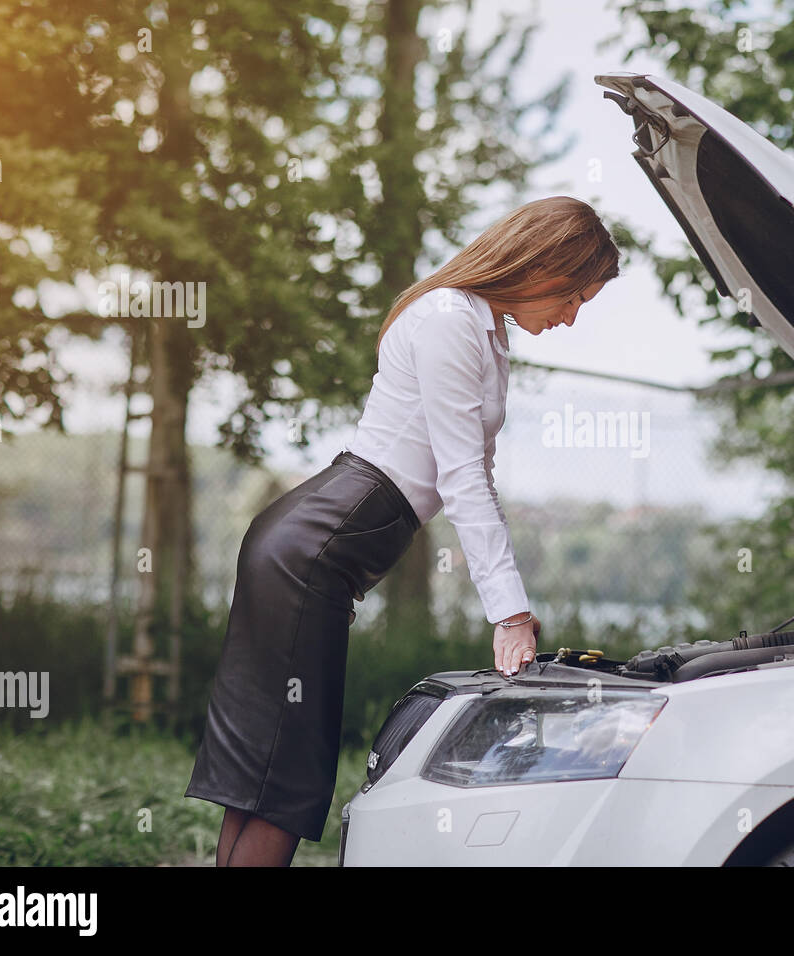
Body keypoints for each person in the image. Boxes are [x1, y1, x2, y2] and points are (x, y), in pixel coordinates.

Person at [184, 196, 621, 865]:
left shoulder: (483, 328)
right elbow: (462, 479)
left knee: (269, 775)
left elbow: (477, 471)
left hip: (315, 549)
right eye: (574, 296)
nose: (571, 316)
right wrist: (510, 612)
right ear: (544, 264)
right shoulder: (448, 318)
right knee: (286, 779)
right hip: (311, 554)